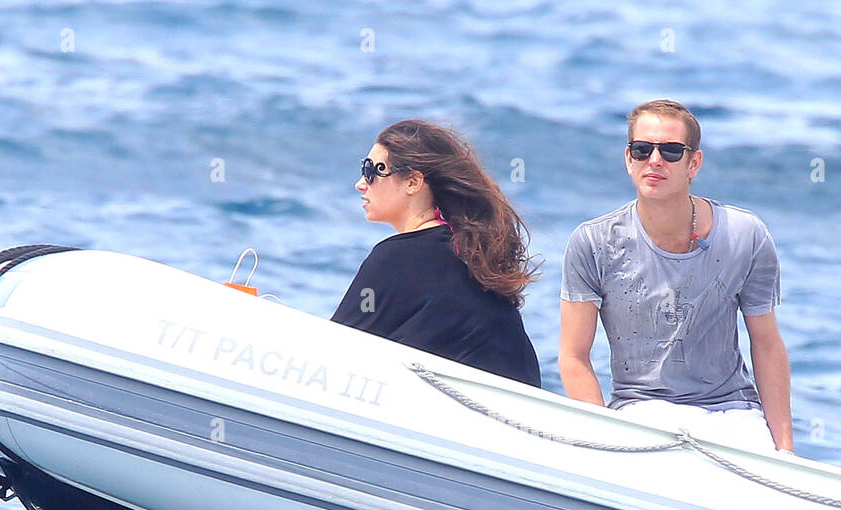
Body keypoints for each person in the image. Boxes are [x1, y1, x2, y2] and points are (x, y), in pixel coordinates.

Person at [558, 99, 793, 452]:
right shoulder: (593, 242)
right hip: (641, 409)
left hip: (731, 412)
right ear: (628, 159)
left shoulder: (746, 235)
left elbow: (767, 344)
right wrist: (604, 442)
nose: (654, 160)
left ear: (693, 163)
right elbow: (573, 357)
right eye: (642, 150)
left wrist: (785, 451)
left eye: (670, 151)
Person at [331, 119, 542, 388]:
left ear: (413, 182)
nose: (361, 183)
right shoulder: (472, 253)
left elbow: (334, 351)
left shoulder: (396, 258)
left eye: (373, 171)